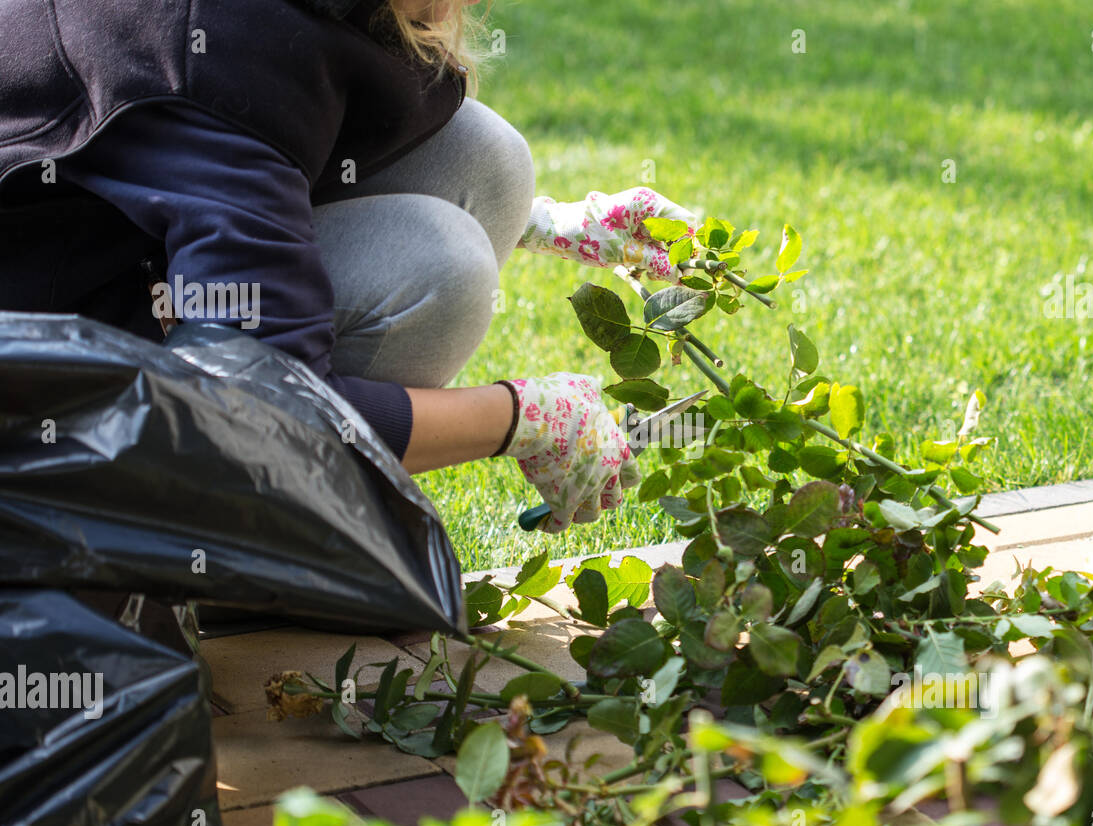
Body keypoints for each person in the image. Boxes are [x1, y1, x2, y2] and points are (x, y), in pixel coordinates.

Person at [0, 0, 698, 531]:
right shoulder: (210, 60)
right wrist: (522, 419)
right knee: (442, 269)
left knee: (485, 158)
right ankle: (246, 554)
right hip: (36, 404)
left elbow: (256, 170)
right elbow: (258, 411)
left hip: (95, 252)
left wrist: (555, 225)